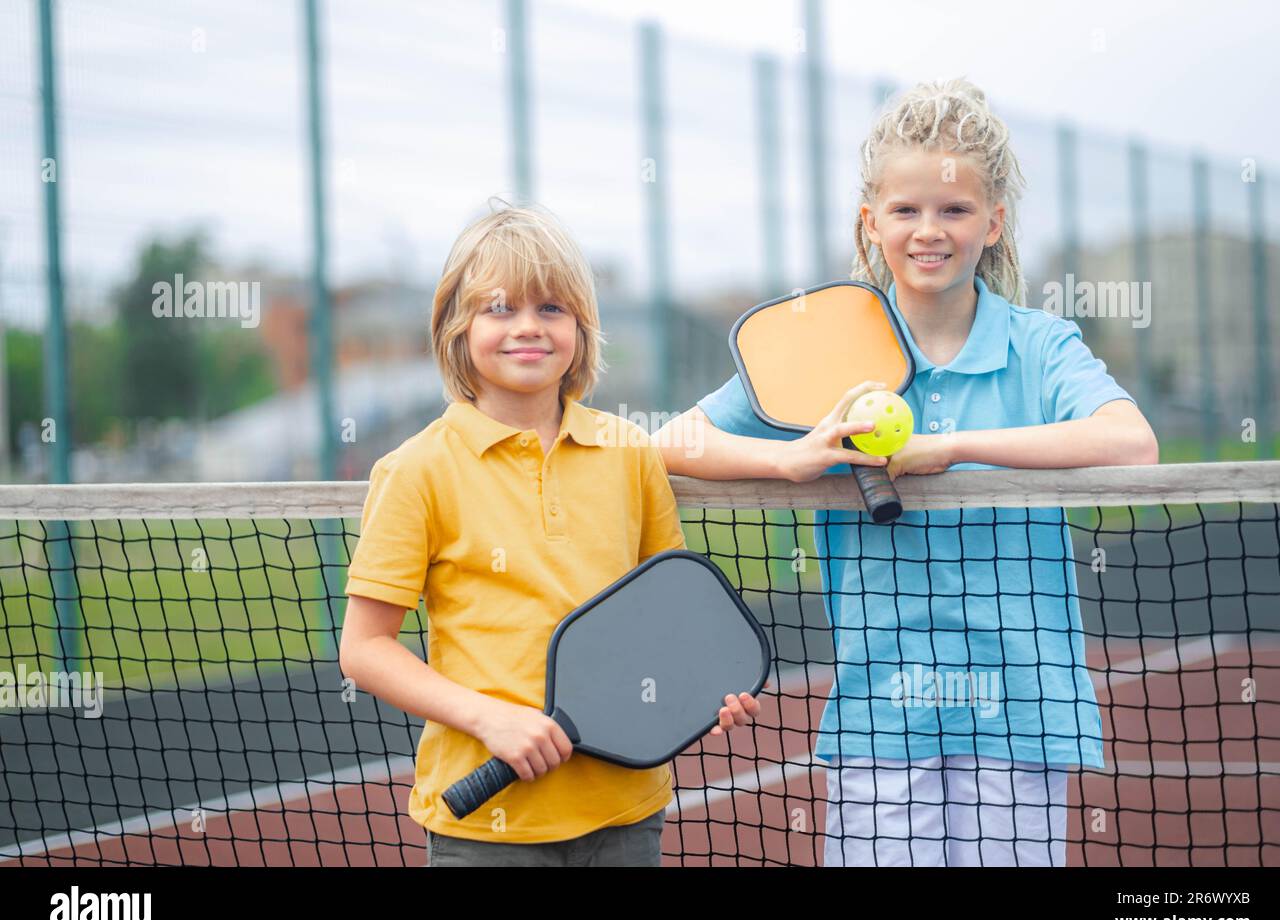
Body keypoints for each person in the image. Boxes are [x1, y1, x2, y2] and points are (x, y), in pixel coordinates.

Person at [652, 78, 1158, 866]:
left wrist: (953, 450)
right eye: (906, 210)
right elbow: (674, 444)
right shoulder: (821, 348)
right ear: (871, 223)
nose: (930, 231)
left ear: (993, 222)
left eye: (955, 210)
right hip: (882, 717)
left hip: (1020, 710)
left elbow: (1130, 443)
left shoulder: (1041, 345)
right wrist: (792, 458)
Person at [339, 201, 760, 867]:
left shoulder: (630, 453)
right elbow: (365, 651)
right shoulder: (416, 470)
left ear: (581, 328)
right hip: (486, 827)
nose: (527, 328)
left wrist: (699, 689)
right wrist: (489, 719)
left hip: (626, 811)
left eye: (551, 310)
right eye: (500, 308)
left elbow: (670, 618)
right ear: (457, 326)